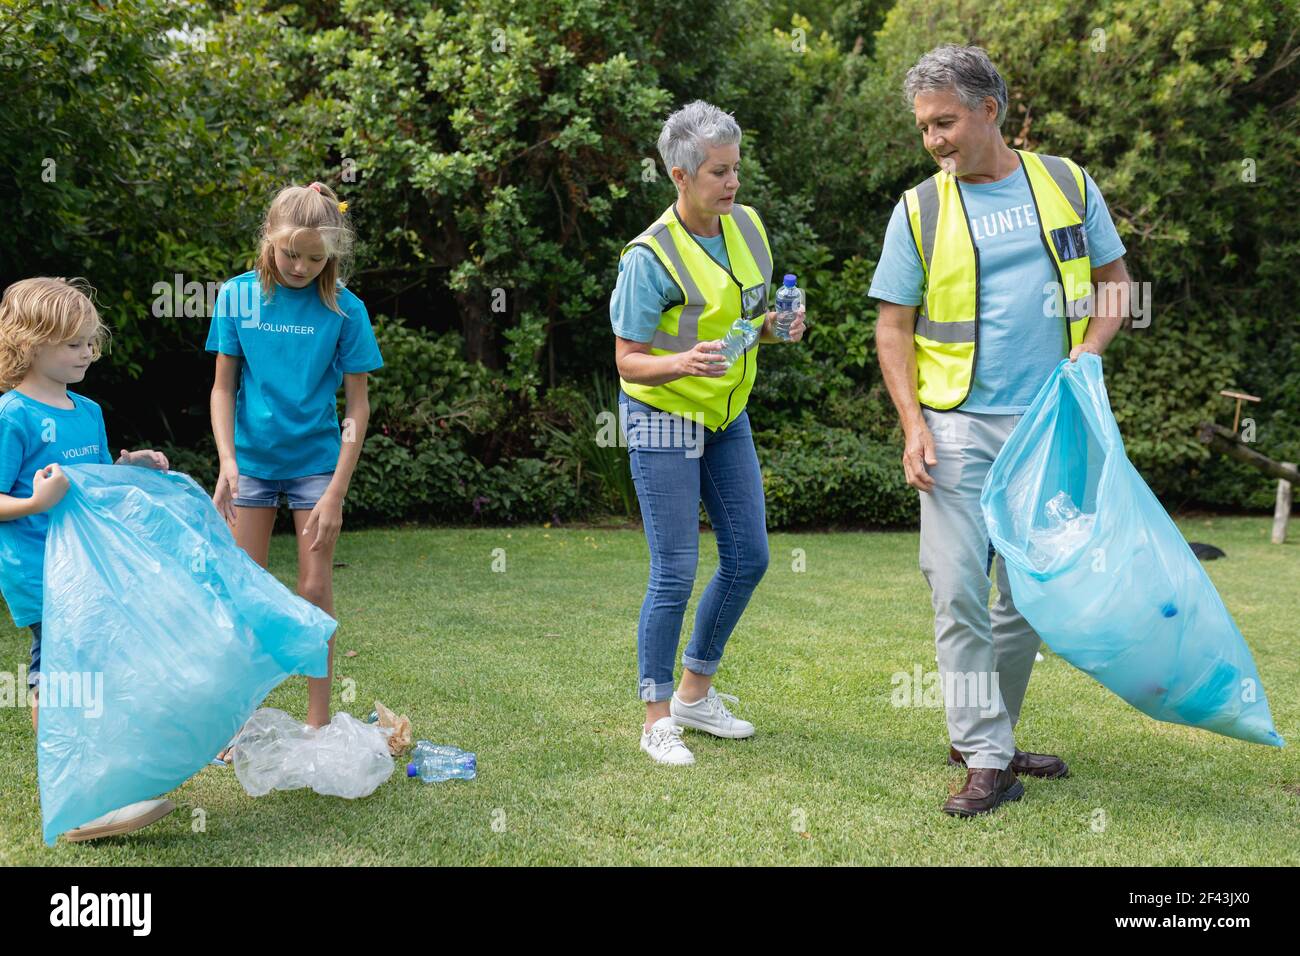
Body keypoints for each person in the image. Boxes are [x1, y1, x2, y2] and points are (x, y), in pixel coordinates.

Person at [871, 46, 1131, 815]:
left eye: (945, 122)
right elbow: (893, 328)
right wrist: (912, 425)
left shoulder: (1067, 184)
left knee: (1027, 596)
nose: (935, 141)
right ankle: (987, 758)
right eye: (924, 128)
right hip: (953, 427)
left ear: (992, 108)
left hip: (1047, 425)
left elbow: (1116, 286)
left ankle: (991, 734)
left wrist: (1087, 356)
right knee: (956, 588)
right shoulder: (918, 209)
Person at [611, 100, 806, 765]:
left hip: (726, 418)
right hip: (662, 416)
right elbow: (628, 358)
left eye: (736, 169)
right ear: (680, 175)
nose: (733, 184)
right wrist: (681, 363)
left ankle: (696, 693)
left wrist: (779, 326)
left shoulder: (746, 227)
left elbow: (748, 321)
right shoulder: (649, 257)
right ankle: (656, 718)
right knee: (675, 570)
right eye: (719, 172)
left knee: (750, 556)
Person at [0, 276, 174, 841]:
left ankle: (105, 787)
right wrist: (33, 502)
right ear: (30, 343)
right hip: (39, 570)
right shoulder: (12, 416)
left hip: (89, 567)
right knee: (56, 677)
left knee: (97, 672)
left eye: (90, 342)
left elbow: (93, 484)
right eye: (73, 344)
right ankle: (75, 802)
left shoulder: (88, 410)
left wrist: (131, 467)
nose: (87, 353)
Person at [207, 181, 382, 733]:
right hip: (251, 465)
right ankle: (238, 723)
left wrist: (336, 494)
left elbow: (358, 406)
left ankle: (318, 725)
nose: (301, 266)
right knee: (246, 595)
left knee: (313, 590)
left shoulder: (346, 310)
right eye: (290, 254)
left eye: (314, 257)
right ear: (269, 240)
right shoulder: (236, 296)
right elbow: (221, 390)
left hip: (316, 466)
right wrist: (227, 462)